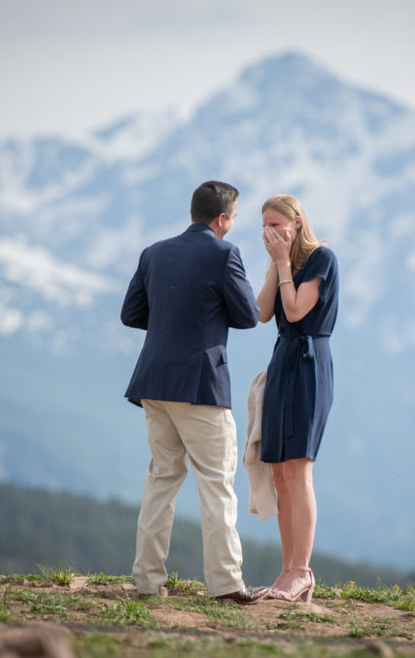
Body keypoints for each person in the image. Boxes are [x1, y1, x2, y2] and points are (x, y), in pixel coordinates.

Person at [121, 180, 270, 605]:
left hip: (154, 381)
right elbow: (248, 315)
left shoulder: (153, 253)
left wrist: (172, 320)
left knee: (161, 479)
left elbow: (131, 313)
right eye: (234, 218)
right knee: (217, 482)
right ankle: (226, 584)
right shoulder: (224, 254)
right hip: (201, 384)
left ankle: (147, 580)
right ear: (222, 219)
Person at [255, 194, 339, 604]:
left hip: (308, 362)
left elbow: (294, 311)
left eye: (276, 224)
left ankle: (301, 571)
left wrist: (284, 264)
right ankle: (287, 569)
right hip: (282, 360)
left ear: (297, 222)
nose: (269, 232)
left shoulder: (322, 258)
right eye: (264, 226)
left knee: (299, 467)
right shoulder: (281, 263)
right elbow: (262, 313)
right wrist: (276, 264)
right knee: (279, 471)